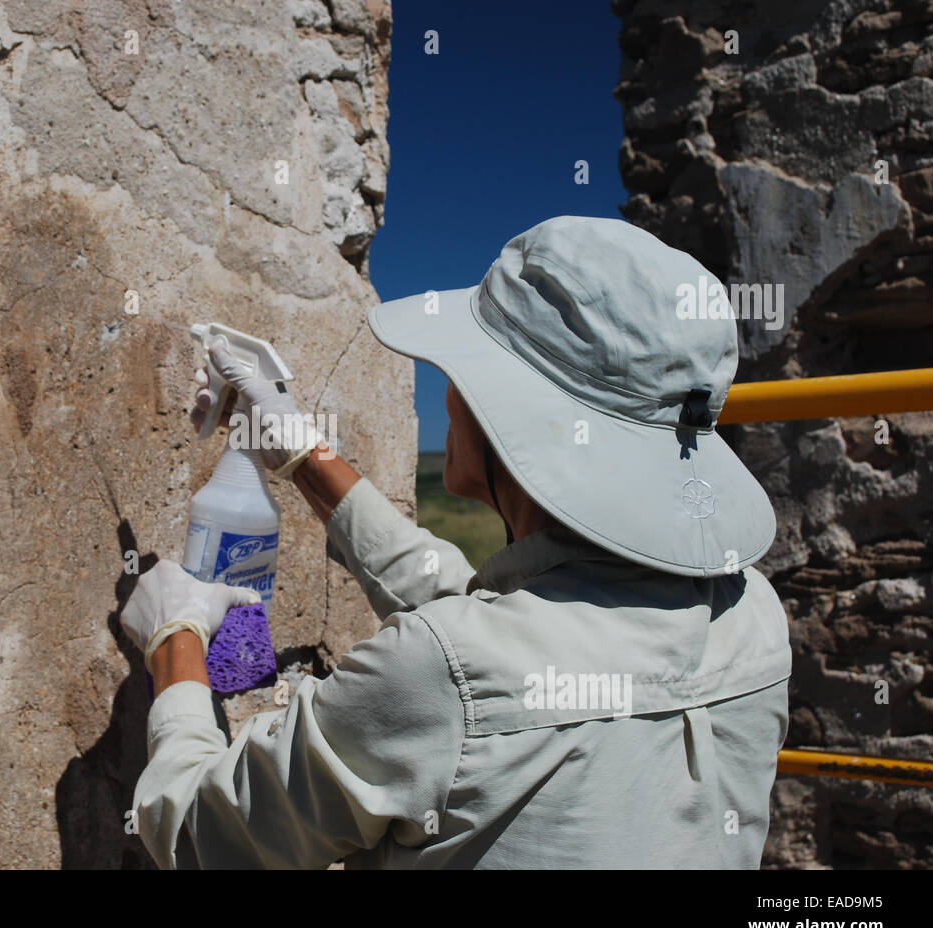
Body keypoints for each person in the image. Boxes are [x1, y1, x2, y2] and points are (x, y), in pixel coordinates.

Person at [120, 216, 790, 869]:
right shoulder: (753, 613)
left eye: (465, 376)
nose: (450, 396)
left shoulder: (445, 675)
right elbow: (508, 638)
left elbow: (197, 834)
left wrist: (174, 641)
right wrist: (305, 457)